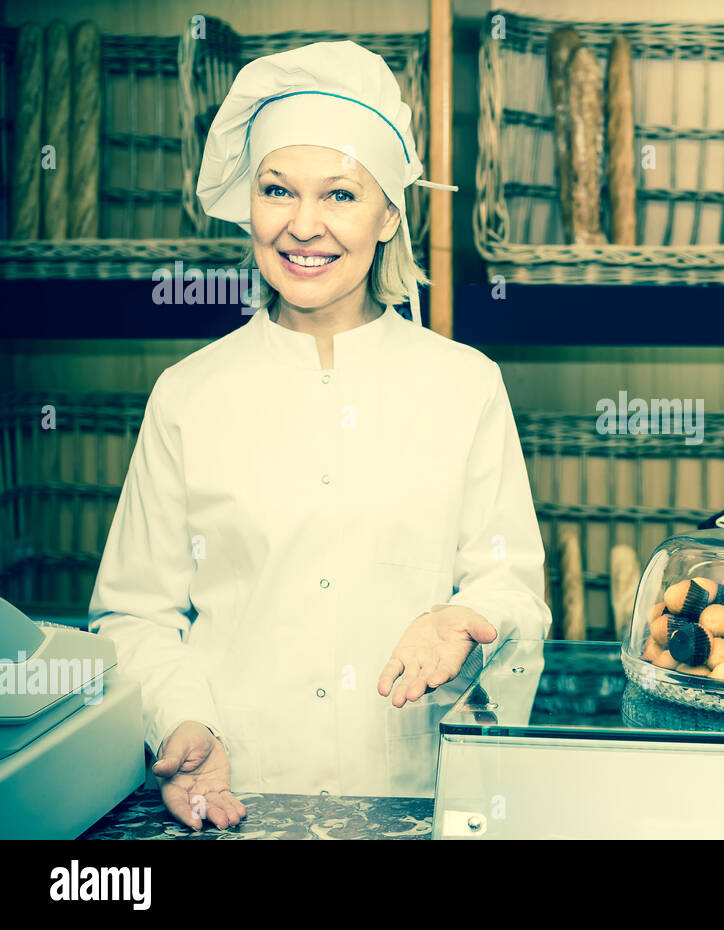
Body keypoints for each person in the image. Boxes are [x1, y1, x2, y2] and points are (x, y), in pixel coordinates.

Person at [89, 41, 551, 830]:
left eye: (340, 194)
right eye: (278, 190)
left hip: (415, 794)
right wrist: (181, 723)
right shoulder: (190, 394)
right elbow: (134, 615)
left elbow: (510, 589)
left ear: (389, 213)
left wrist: (460, 622)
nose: (304, 226)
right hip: (239, 794)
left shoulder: (464, 383)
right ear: (249, 202)